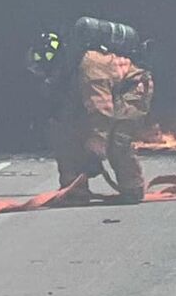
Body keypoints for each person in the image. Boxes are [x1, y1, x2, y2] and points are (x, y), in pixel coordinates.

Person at [27, 20, 154, 204]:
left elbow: (101, 110)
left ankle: (132, 189)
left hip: (132, 88)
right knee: (65, 135)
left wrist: (96, 147)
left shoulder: (89, 67)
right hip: (106, 94)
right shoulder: (69, 73)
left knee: (117, 139)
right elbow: (70, 116)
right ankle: (75, 191)